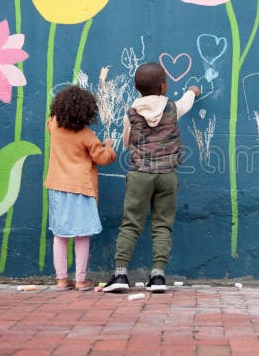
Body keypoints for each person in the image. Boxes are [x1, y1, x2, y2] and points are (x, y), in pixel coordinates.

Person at [103, 62, 200, 293]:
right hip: (167, 174)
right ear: (164, 86)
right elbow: (187, 101)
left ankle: (120, 275)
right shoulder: (172, 108)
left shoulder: (131, 114)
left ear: (137, 87)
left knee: (130, 224)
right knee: (162, 225)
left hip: (140, 175)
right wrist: (193, 91)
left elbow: (127, 143)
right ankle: (157, 277)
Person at [44, 86, 117, 291]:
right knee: (81, 235)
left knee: (60, 234)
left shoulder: (53, 126)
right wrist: (109, 147)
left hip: (57, 187)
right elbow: (102, 158)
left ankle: (60, 280)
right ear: (87, 112)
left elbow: (51, 119)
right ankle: (80, 280)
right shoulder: (87, 135)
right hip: (81, 190)